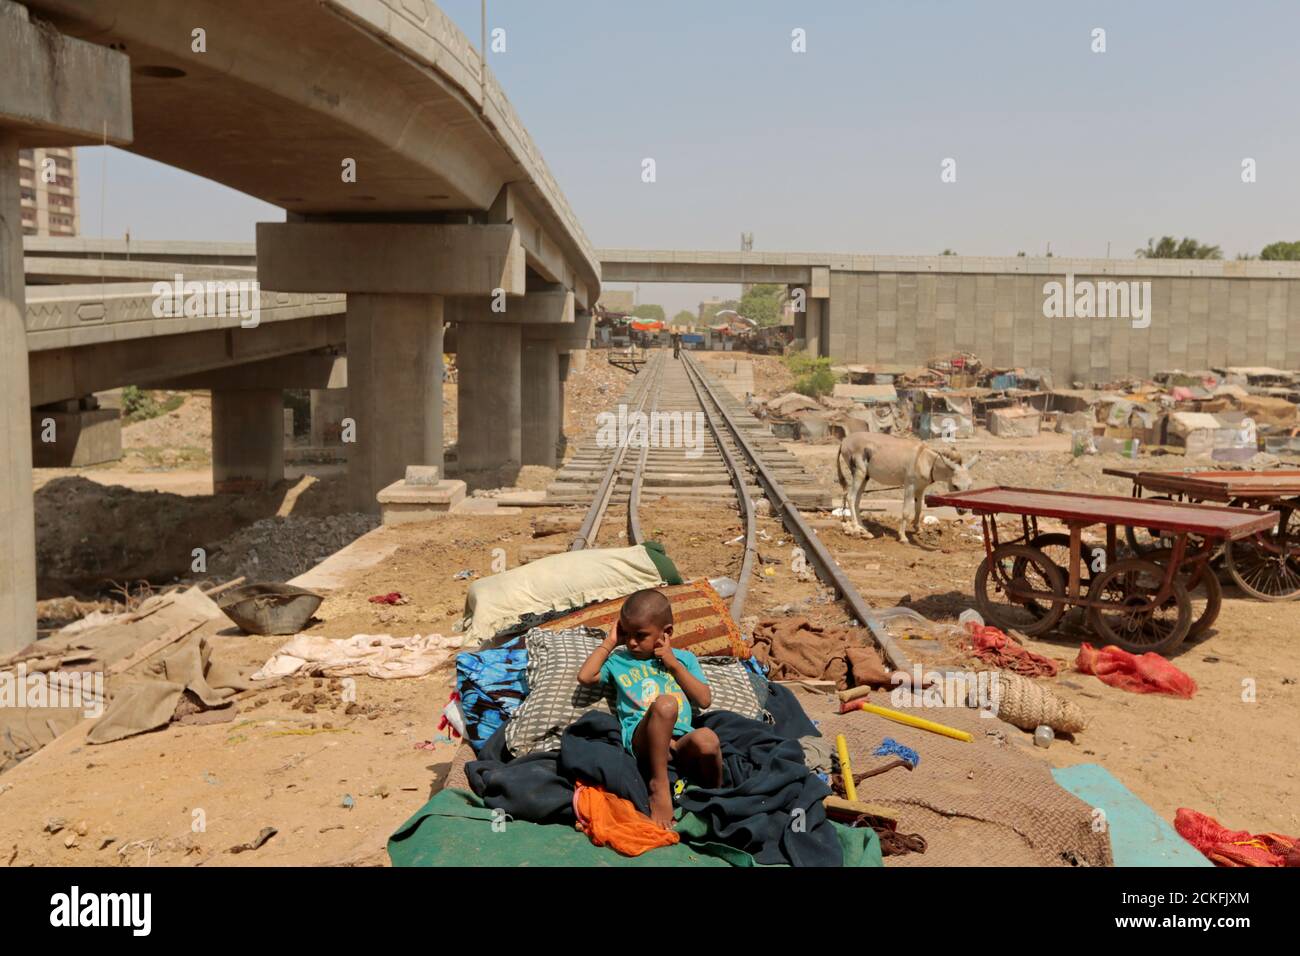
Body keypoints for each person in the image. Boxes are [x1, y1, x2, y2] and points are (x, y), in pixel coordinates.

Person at [577, 589, 722, 828]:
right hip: (643, 740)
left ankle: (715, 799)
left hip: (679, 742)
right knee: (665, 704)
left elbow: (704, 700)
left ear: (666, 633)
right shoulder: (619, 660)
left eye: (641, 635)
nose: (632, 642)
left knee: (708, 739)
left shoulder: (683, 660)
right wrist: (611, 641)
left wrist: (673, 665)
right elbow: (585, 676)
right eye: (627, 633)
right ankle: (659, 785)